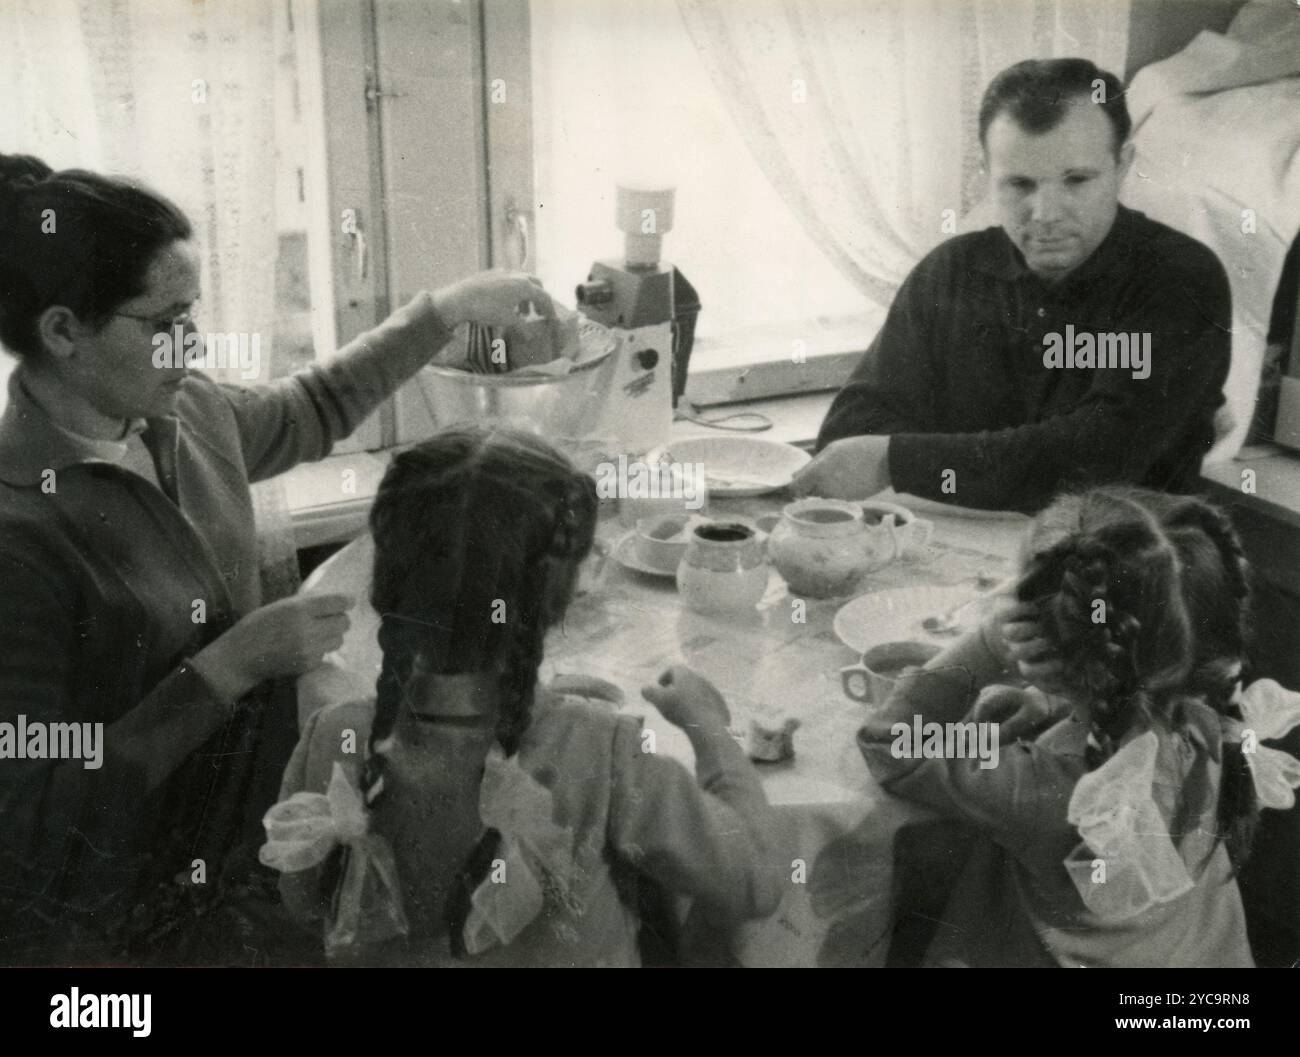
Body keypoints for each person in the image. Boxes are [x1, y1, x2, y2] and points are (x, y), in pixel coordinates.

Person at [0, 155, 556, 964]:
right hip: (121, 932)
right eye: (164, 324)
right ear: (61, 332)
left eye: (193, 315)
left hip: (248, 850)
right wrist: (230, 665)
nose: (190, 345)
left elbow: (311, 408)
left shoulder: (181, 410)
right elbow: (35, 813)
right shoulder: (18, 534)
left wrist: (443, 311)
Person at [261, 426, 783, 966]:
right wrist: (709, 729)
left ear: (386, 586)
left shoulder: (331, 732)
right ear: (559, 599)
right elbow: (757, 882)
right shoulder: (604, 752)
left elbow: (303, 899)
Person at [858, 486, 1300, 967]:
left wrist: (986, 646)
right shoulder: (1212, 726)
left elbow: (892, 744)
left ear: (1040, 640)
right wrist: (1052, 699)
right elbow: (1130, 688)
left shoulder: (1051, 783)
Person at [796, 59, 1232, 513]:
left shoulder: (1180, 278)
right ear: (988, 175)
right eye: (1019, 184)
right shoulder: (950, 272)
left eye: (1077, 180)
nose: (1045, 213)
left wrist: (899, 460)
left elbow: (1102, 457)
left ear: (1123, 165)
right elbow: (851, 432)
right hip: (968, 552)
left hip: (1129, 562)